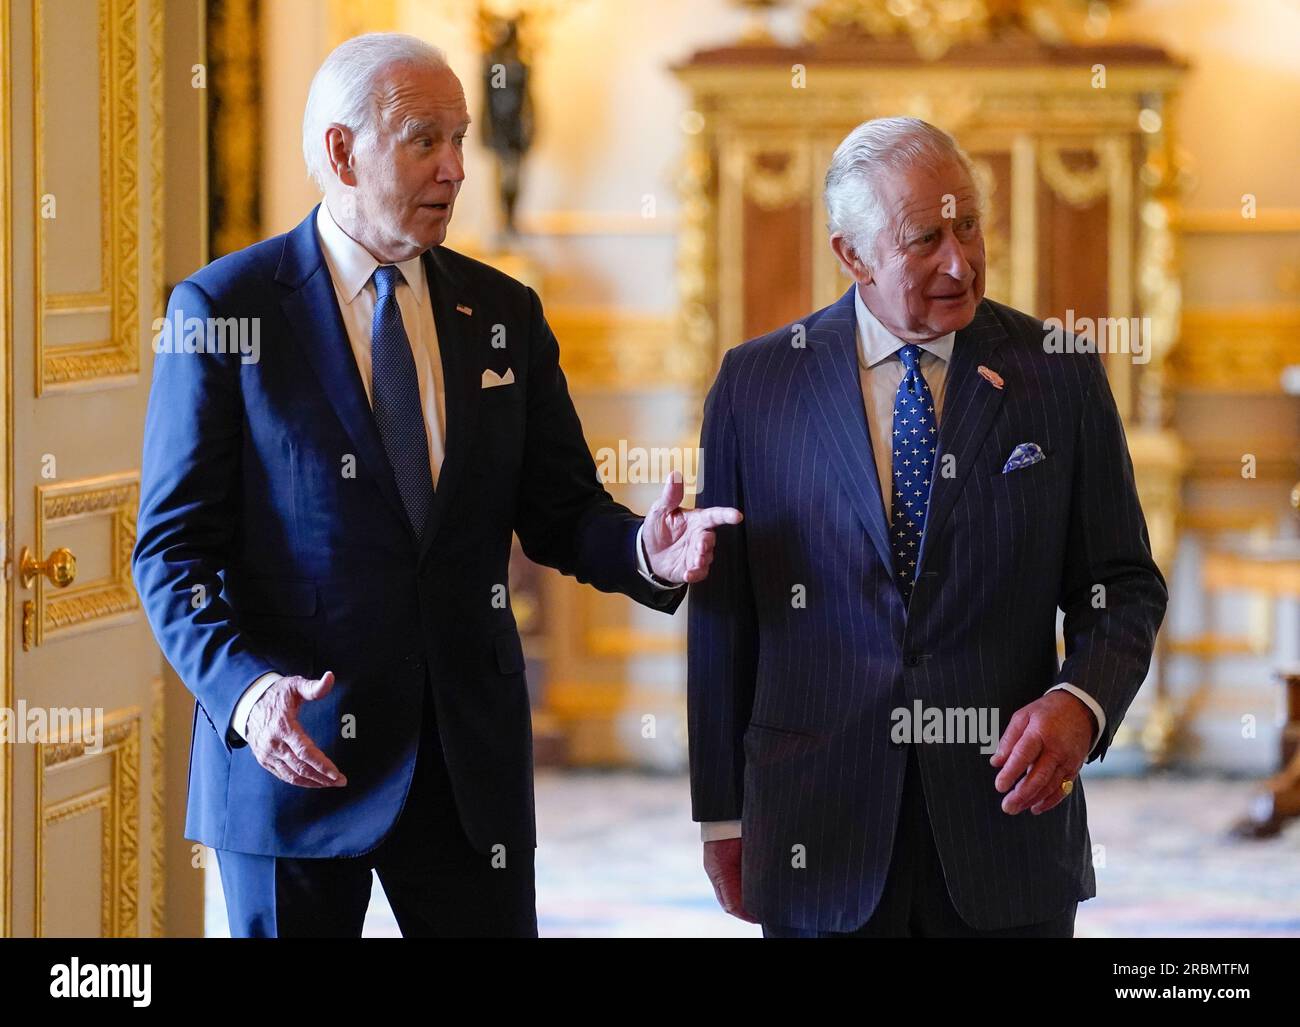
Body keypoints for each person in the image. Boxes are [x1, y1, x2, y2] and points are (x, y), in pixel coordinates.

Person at [133, 32, 738, 937]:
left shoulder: (503, 313)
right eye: (425, 140)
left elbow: (563, 509)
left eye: (459, 139)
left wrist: (646, 551)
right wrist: (248, 694)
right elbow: (171, 551)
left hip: (467, 769)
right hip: (294, 761)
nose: (457, 168)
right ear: (341, 151)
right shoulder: (225, 310)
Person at [687, 116, 1167, 937]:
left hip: (1003, 826)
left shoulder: (1058, 370)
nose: (960, 260)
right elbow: (725, 620)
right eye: (925, 238)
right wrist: (723, 817)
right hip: (818, 826)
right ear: (853, 254)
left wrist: (1080, 702)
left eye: (970, 225)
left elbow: (1121, 584)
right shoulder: (756, 383)